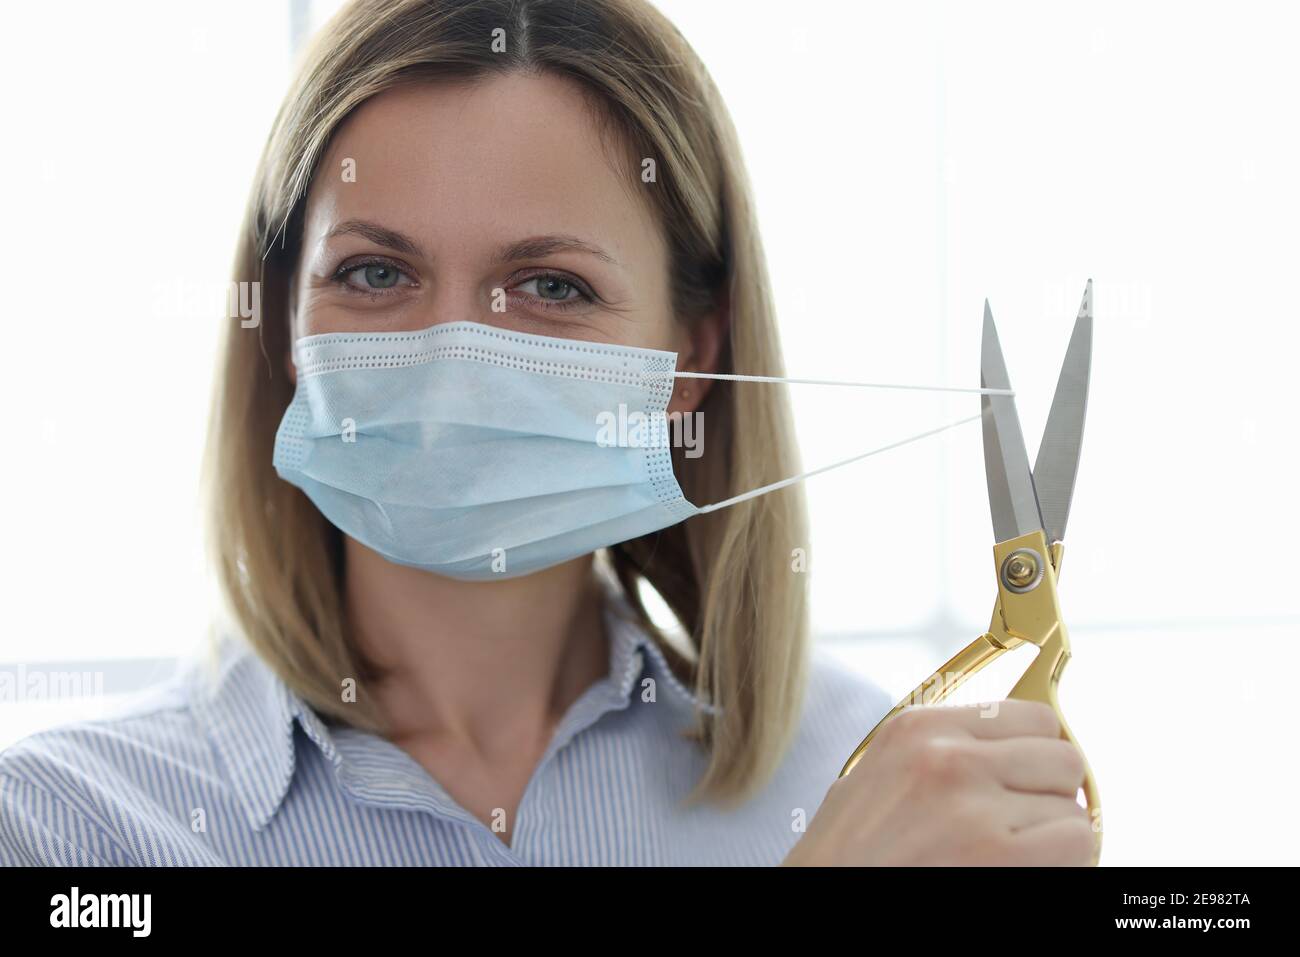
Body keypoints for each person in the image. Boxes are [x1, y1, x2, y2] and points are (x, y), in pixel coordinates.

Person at [0, 0, 1094, 866]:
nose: (452, 360)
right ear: (283, 326)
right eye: (375, 272)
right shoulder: (67, 831)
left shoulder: (882, 780)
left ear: (688, 364)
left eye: (550, 286)